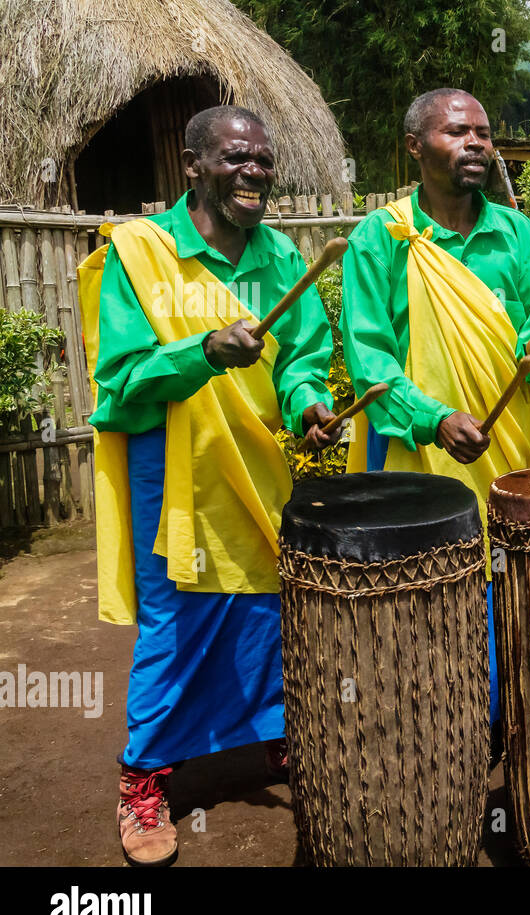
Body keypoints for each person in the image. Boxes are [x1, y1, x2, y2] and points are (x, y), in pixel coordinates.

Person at [81, 105, 340, 866]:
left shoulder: (284, 258)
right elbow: (119, 386)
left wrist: (307, 407)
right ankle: (144, 778)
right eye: (235, 157)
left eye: (262, 158)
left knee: (267, 610)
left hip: (258, 468)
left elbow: (298, 360)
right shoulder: (142, 253)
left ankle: (267, 736)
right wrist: (202, 351)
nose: (254, 171)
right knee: (177, 623)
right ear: (193, 165)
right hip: (175, 472)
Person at [339, 88, 530, 729]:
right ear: (415, 147)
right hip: (416, 458)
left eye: (484, 133)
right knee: (425, 597)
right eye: (457, 132)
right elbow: (371, 362)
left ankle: (495, 732)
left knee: (506, 593)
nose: (476, 143)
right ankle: (425, 738)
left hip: (507, 451)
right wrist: (434, 419)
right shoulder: (381, 239)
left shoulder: (520, 235)